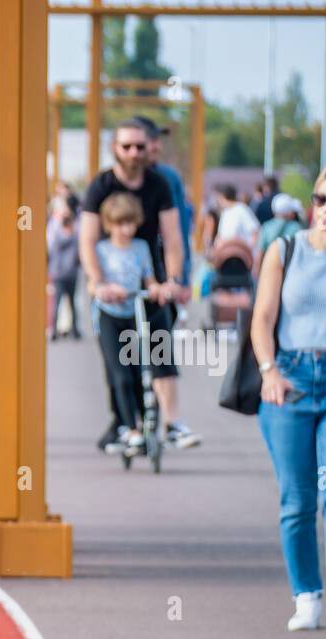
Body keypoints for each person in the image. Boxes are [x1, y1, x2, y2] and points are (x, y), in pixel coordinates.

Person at [250, 160, 326, 635]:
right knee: (297, 499)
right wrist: (270, 372)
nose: (325, 210)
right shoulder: (285, 249)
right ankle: (307, 596)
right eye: (320, 199)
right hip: (290, 380)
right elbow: (262, 318)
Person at [80, 118, 202, 453]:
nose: (134, 152)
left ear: (149, 147)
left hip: (149, 281)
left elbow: (173, 238)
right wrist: (97, 281)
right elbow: (87, 240)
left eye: (140, 146)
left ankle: (172, 423)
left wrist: (173, 281)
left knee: (160, 353)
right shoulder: (100, 186)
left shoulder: (159, 184)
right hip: (111, 289)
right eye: (127, 146)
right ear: (114, 149)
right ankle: (126, 425)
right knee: (120, 363)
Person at [91, 192, 162, 453]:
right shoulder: (101, 249)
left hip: (134, 313)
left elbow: (149, 278)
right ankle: (129, 428)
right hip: (109, 316)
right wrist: (103, 289)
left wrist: (156, 288)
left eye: (130, 223)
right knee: (119, 375)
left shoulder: (141, 248)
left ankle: (146, 425)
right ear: (110, 224)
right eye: (120, 224)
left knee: (138, 372)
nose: (126, 229)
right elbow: (93, 282)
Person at [134, 115, 193, 286]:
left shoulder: (168, 177)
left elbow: (179, 231)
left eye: (157, 140)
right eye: (151, 140)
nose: (157, 147)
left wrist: (182, 276)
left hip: (162, 272)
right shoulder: (111, 181)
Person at [47, 197, 82, 341]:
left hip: (59, 273)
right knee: (70, 303)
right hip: (69, 274)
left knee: (59, 303)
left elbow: (50, 249)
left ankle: (55, 330)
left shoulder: (56, 235)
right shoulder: (74, 236)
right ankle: (72, 330)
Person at [254, 193, 304, 278]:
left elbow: (259, 254)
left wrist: (258, 275)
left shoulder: (266, 227)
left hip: (270, 272)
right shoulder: (297, 227)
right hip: (291, 273)